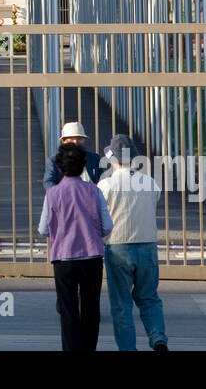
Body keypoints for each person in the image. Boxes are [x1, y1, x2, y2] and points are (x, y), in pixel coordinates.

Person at [38, 143, 113, 351]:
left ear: (60, 166)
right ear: (83, 165)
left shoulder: (52, 194)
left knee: (68, 311)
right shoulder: (94, 191)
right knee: (91, 310)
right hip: (92, 258)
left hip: (63, 259)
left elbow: (43, 229)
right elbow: (107, 226)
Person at [98, 134, 168, 351]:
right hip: (147, 245)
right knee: (149, 297)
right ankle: (158, 337)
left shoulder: (105, 184)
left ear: (112, 159)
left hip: (118, 246)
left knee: (121, 304)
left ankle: (128, 348)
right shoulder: (149, 182)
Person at [42, 121, 99, 189]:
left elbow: (101, 181)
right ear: (63, 141)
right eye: (71, 139)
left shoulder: (94, 158)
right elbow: (48, 183)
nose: (75, 142)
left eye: (79, 139)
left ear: (84, 140)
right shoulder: (53, 161)